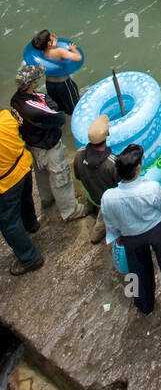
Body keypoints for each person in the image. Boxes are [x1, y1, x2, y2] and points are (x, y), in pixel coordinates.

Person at [101, 143, 161, 316]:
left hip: (130, 236)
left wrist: (117, 236)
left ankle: (143, 303)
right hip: (157, 230)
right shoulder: (151, 188)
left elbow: (110, 221)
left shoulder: (108, 197)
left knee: (137, 269)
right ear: (138, 167)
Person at [10, 63, 86, 222]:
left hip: (33, 144)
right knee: (60, 176)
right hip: (48, 145)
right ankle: (70, 210)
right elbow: (57, 117)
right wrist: (48, 103)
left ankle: (47, 199)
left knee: (41, 173)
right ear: (31, 84)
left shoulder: (15, 100)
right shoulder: (34, 107)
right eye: (36, 79)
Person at [0, 106, 42, 275]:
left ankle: (30, 258)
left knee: (9, 223)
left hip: (6, 183)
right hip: (23, 166)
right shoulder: (6, 117)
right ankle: (32, 223)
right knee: (26, 200)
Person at [73, 114, 117, 244]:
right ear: (107, 134)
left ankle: (91, 206)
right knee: (102, 220)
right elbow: (120, 186)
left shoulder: (79, 154)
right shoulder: (111, 163)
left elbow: (77, 176)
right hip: (105, 200)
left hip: (91, 193)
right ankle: (98, 232)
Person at [26, 30, 82, 114]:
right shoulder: (59, 51)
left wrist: (52, 46)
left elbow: (51, 56)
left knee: (58, 106)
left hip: (50, 84)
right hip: (63, 84)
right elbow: (78, 58)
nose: (53, 36)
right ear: (49, 43)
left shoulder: (42, 53)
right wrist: (73, 49)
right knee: (74, 107)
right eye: (51, 36)